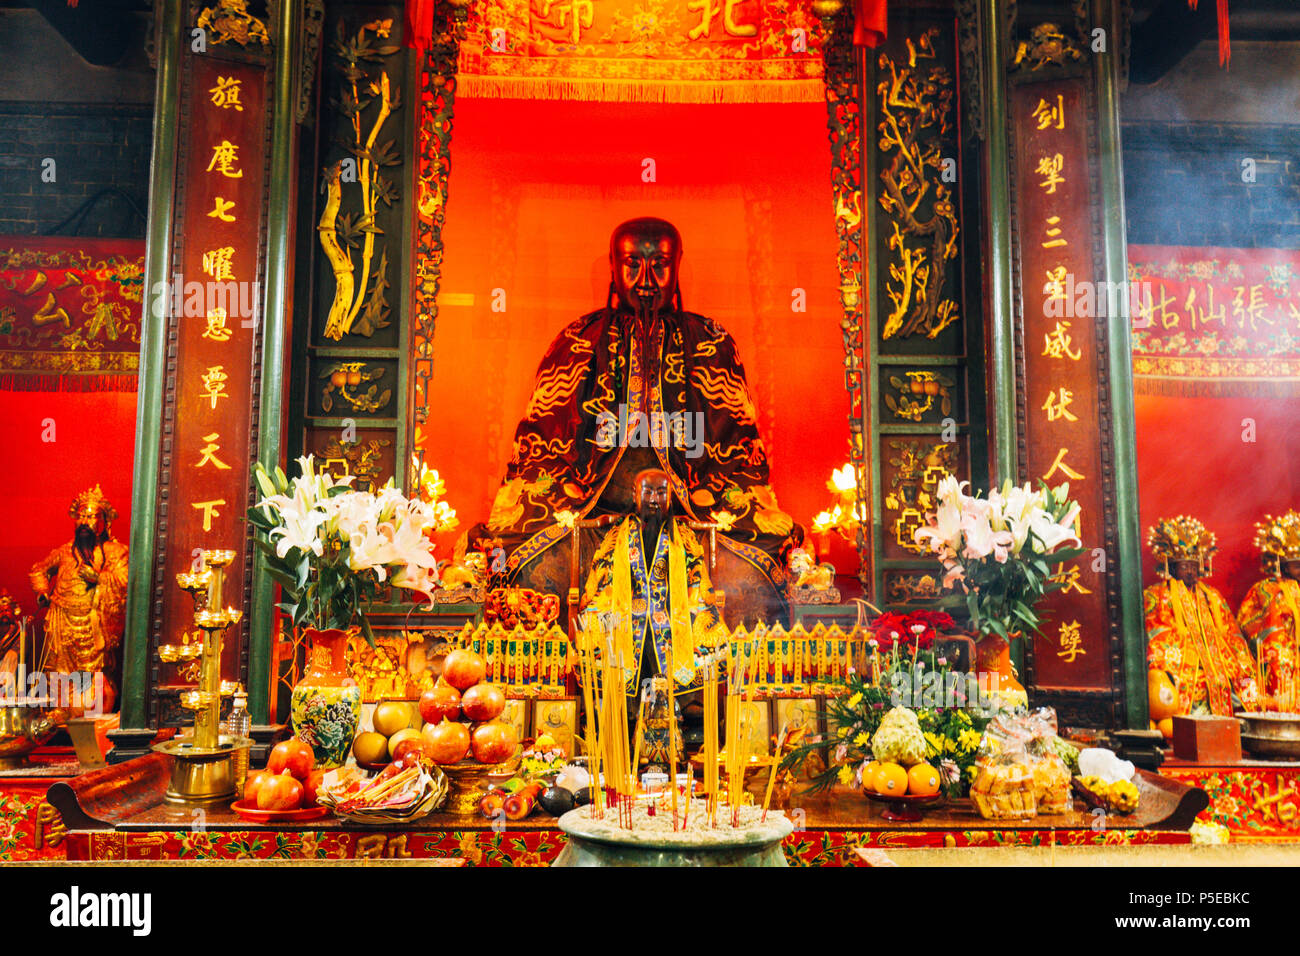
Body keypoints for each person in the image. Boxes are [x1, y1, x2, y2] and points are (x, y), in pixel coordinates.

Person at [467, 217, 796, 622]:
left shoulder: (710, 341)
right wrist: (572, 493)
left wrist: (705, 493)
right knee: (523, 571)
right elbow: (542, 445)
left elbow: (738, 450)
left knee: (750, 580)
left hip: (691, 517)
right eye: (631, 264)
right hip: (592, 518)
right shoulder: (578, 340)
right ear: (612, 266)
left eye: (659, 264)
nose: (645, 279)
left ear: (677, 265)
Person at [578, 468, 726, 699]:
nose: (654, 499)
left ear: (671, 496)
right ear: (635, 494)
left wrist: (686, 604)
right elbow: (601, 577)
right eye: (648, 492)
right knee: (600, 625)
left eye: (661, 492)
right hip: (624, 611)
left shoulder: (682, 536)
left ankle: (681, 700)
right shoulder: (618, 535)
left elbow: (697, 576)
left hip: (672, 611)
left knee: (693, 625)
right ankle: (623, 702)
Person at [1143, 516, 1261, 721]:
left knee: (1233, 676)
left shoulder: (1212, 595)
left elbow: (1230, 630)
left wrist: (1226, 654)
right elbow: (1156, 631)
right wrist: (1191, 648)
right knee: (1190, 680)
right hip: (1182, 657)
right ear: (1171, 566)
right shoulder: (1158, 595)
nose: (1190, 571)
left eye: (1193, 565)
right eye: (1184, 566)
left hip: (1216, 656)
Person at [28, 486, 128, 711]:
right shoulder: (64, 552)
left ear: (104, 522)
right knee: (59, 673)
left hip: (94, 624)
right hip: (62, 620)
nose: (85, 522)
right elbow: (38, 570)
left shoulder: (115, 551)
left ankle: (92, 713)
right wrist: (43, 591)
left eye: (91, 516)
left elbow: (125, 581)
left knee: (94, 677)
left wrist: (99, 578)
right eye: (81, 516)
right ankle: (62, 712)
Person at [1238, 510, 1300, 712]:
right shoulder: (1264, 589)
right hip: (1281, 655)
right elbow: (1250, 623)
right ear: (1282, 563)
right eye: (1296, 565)